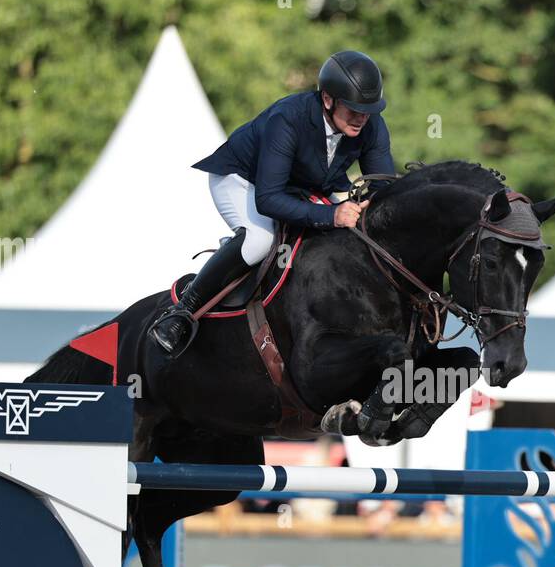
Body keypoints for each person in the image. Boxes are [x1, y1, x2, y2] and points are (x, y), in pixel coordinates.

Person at [150, 50, 396, 355]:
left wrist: (374, 204)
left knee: (352, 238)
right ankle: (181, 313)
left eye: (368, 109)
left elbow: (381, 183)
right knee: (260, 240)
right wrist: (332, 215)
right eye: (354, 109)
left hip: (299, 186)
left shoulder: (370, 124)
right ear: (328, 99)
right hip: (243, 181)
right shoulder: (288, 119)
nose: (362, 117)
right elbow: (268, 199)